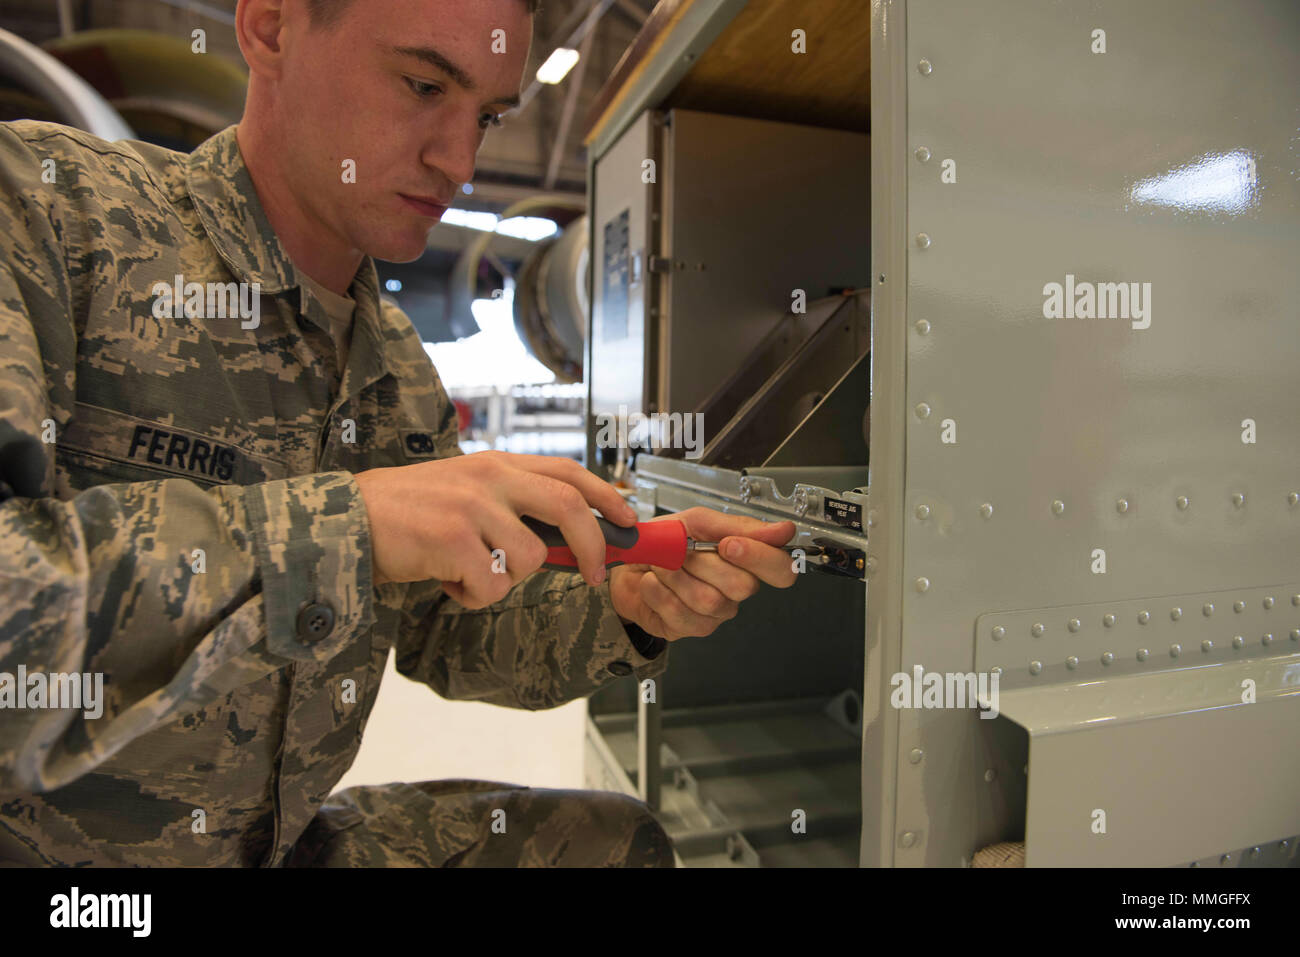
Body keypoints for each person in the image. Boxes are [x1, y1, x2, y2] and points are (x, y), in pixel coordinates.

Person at [0, 0, 799, 866]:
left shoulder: (394, 367)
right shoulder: (48, 210)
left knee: (611, 846)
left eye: (488, 117)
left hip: (269, 845)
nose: (458, 161)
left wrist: (627, 607)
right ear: (270, 27)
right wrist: (353, 527)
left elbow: (440, 627)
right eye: (423, 85)